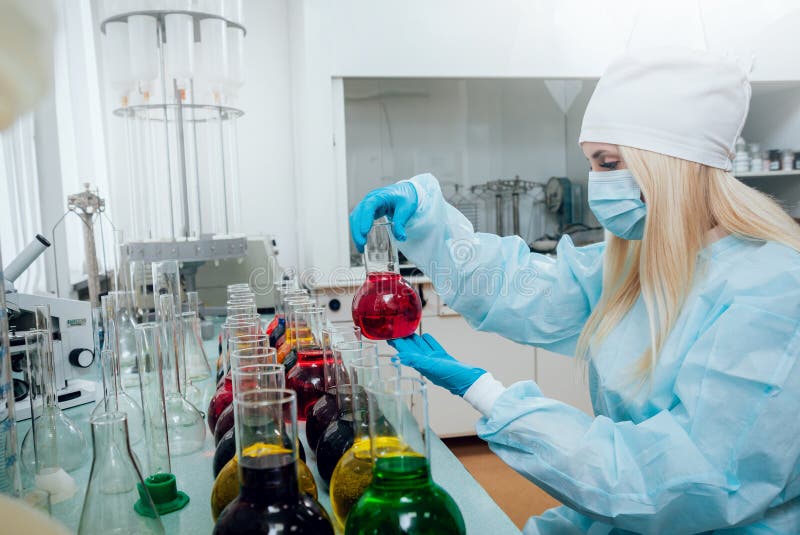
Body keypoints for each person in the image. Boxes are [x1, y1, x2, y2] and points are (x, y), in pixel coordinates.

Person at [349, 48, 800, 534]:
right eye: (593, 164)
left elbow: (683, 484)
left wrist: (487, 394)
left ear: (671, 164)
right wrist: (426, 220)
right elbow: (523, 287)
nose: (597, 183)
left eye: (609, 162)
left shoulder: (772, 293)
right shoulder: (641, 262)